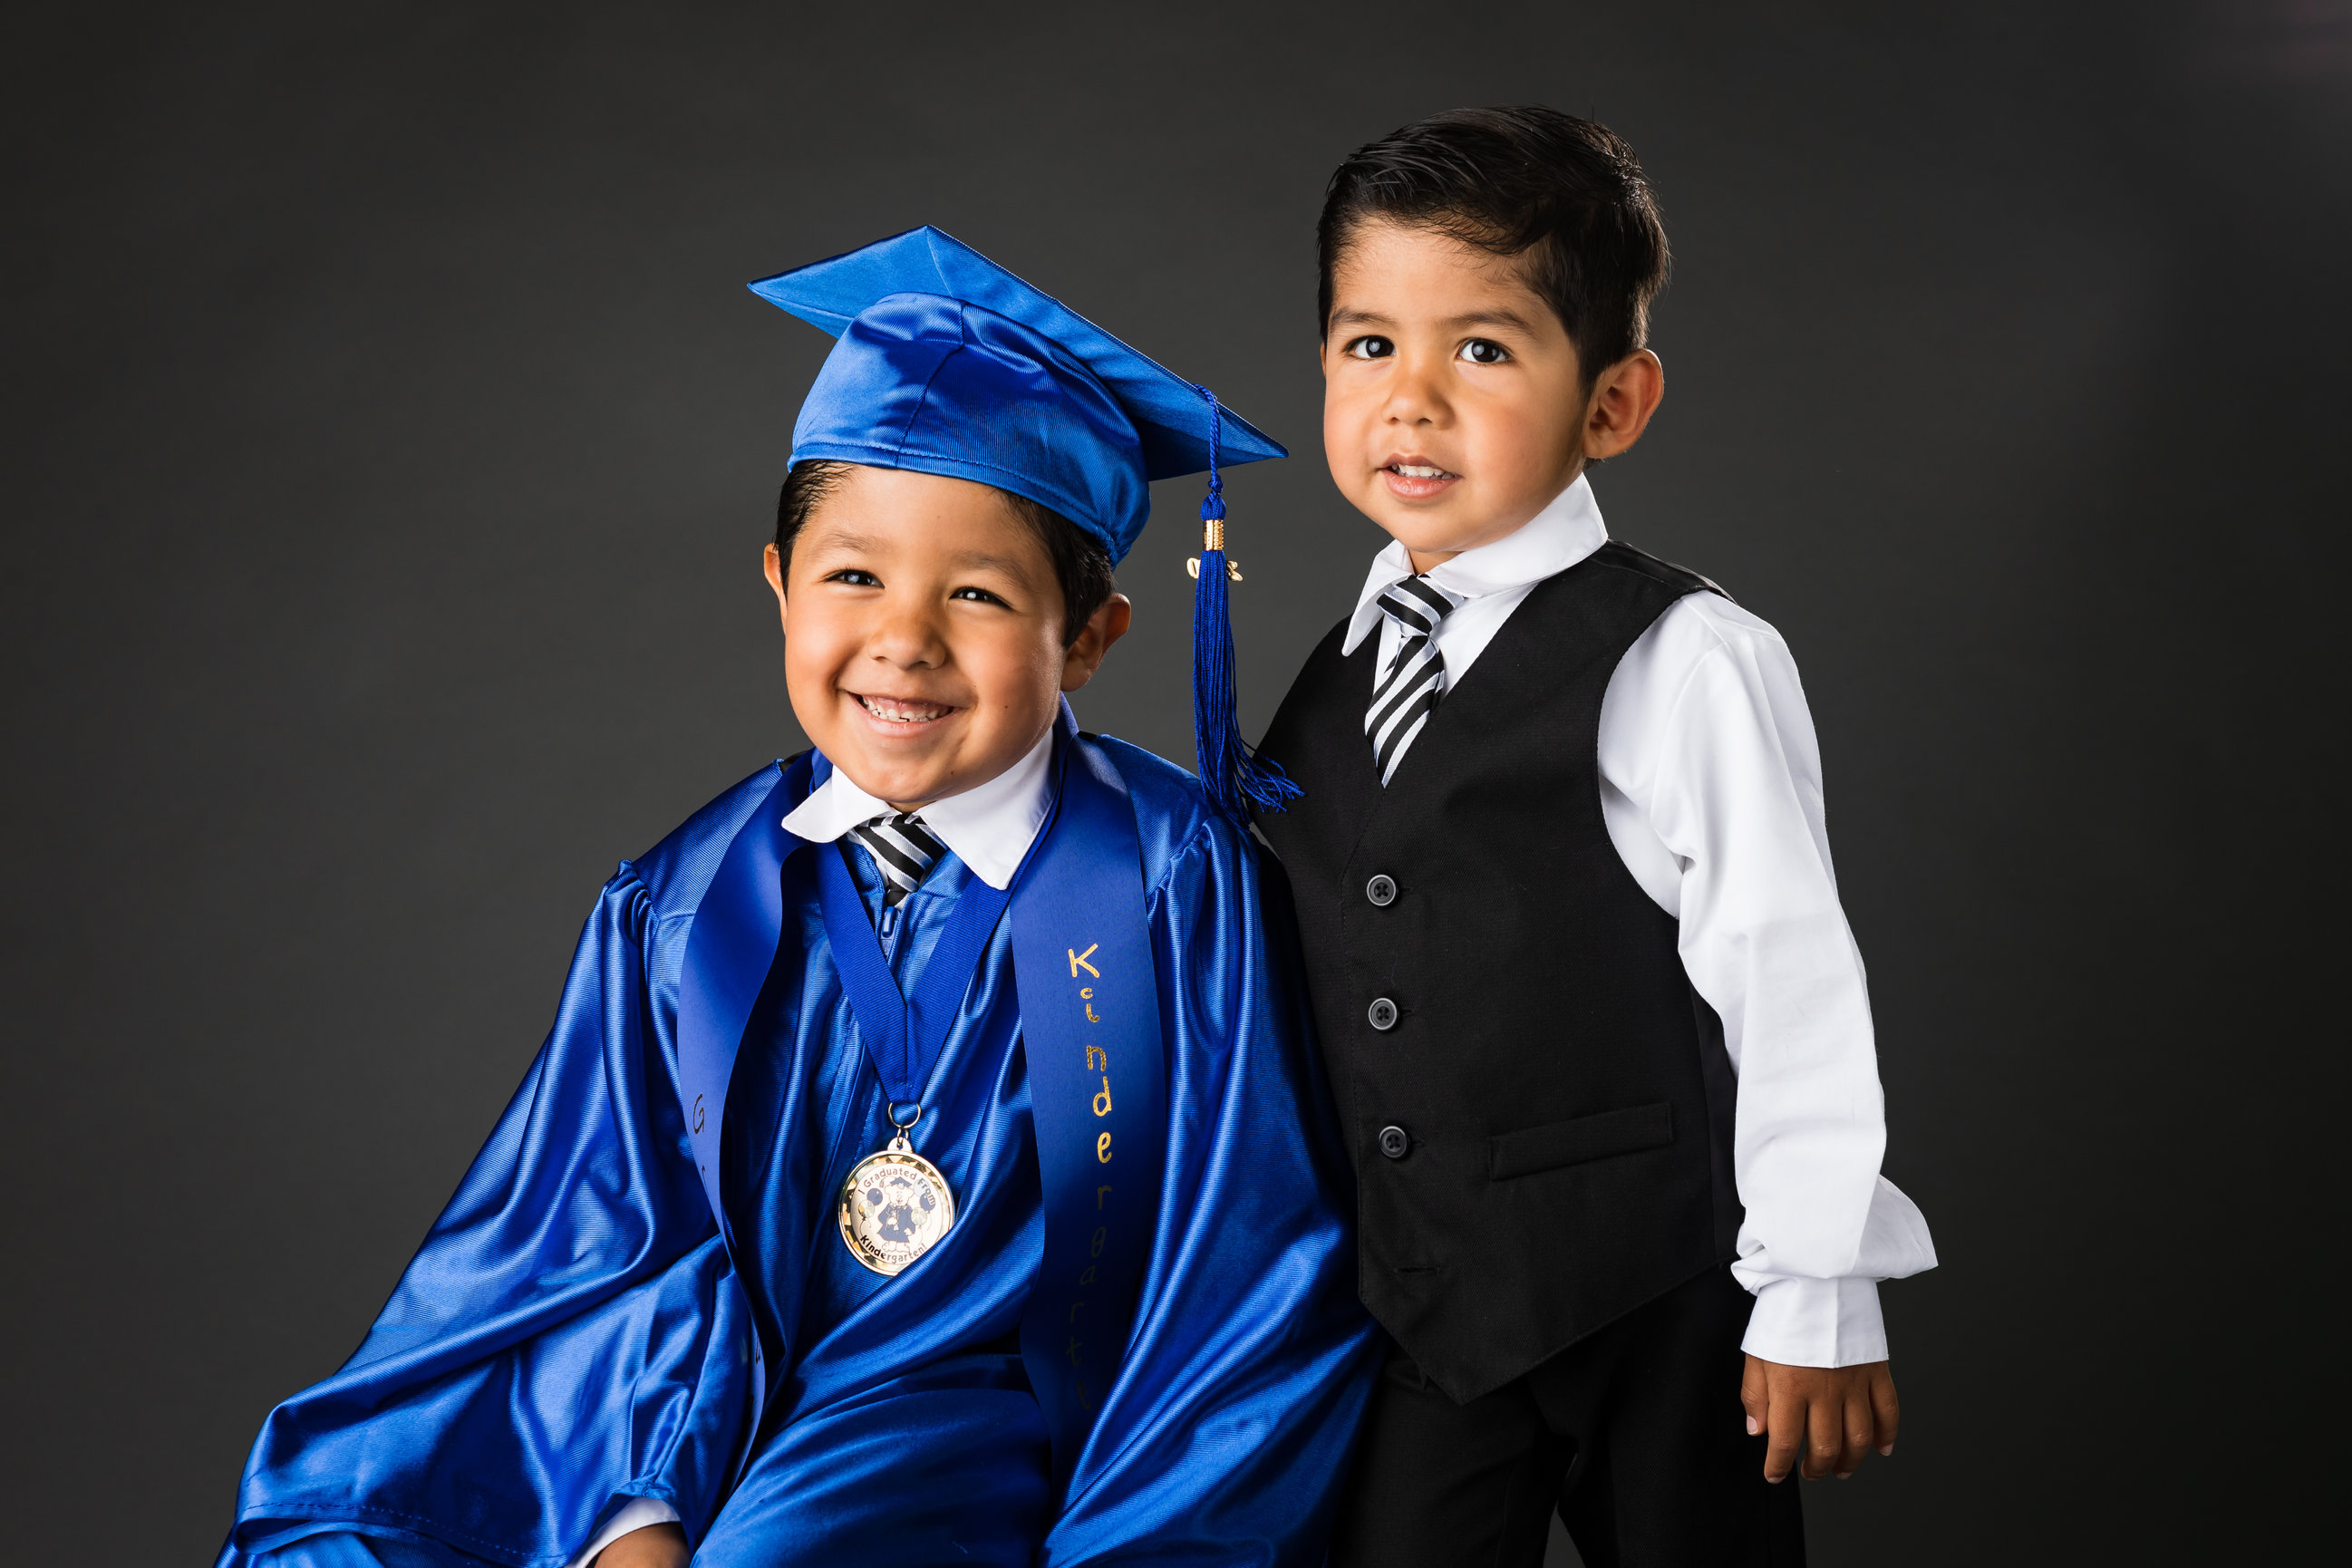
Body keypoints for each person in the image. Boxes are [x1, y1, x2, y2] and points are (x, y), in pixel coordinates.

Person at [217, 226, 1379, 1568]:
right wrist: (632, 1507)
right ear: (778, 587)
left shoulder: (1174, 884)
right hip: (707, 1394)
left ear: (1092, 637)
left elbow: (1253, 1275)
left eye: (981, 594)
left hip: (1004, 1424)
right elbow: (583, 1237)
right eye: (853, 575)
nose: (905, 637)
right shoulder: (685, 904)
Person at [1251, 107, 1940, 1566]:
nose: (1412, 400)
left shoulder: (1686, 656)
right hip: (1418, 1309)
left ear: (1613, 404)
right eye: (1370, 345)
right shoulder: (1338, 670)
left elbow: (1789, 974)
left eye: (1483, 350)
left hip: (1659, 1298)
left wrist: (1818, 1285)